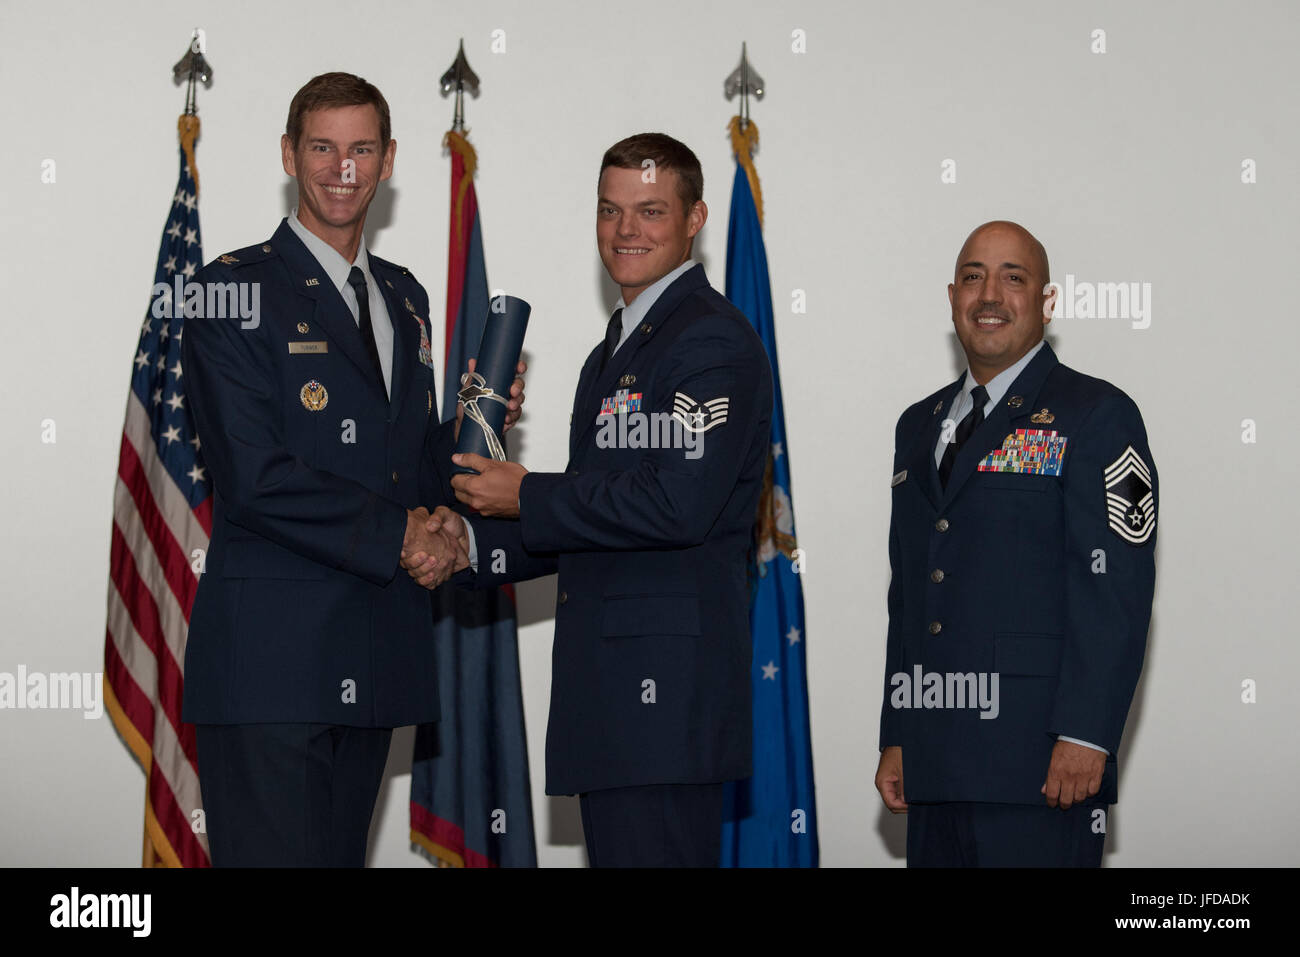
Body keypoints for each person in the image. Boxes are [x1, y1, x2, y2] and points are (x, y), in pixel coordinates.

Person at [180, 72, 523, 866]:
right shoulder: (228, 289)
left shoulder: (403, 296)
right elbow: (254, 474)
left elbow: (400, 467)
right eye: (324, 147)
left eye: (362, 148)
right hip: (272, 667)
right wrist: (407, 533)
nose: (343, 167)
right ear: (290, 155)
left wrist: (475, 423)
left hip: (373, 656)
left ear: (389, 158)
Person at [403, 133, 774, 867]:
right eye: (610, 211)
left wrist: (526, 492)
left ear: (695, 218)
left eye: (650, 211)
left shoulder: (712, 342)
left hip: (663, 712)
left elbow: (676, 503)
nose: (625, 230)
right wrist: (470, 542)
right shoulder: (613, 353)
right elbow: (591, 522)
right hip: (611, 711)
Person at [872, 220, 1157, 866]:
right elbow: (910, 599)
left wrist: (1088, 732)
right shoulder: (918, 426)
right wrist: (899, 730)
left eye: (1013, 277)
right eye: (973, 276)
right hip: (935, 768)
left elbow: (1116, 591)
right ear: (952, 298)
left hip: (1041, 771)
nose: (990, 294)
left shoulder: (1097, 415)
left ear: (1046, 301)